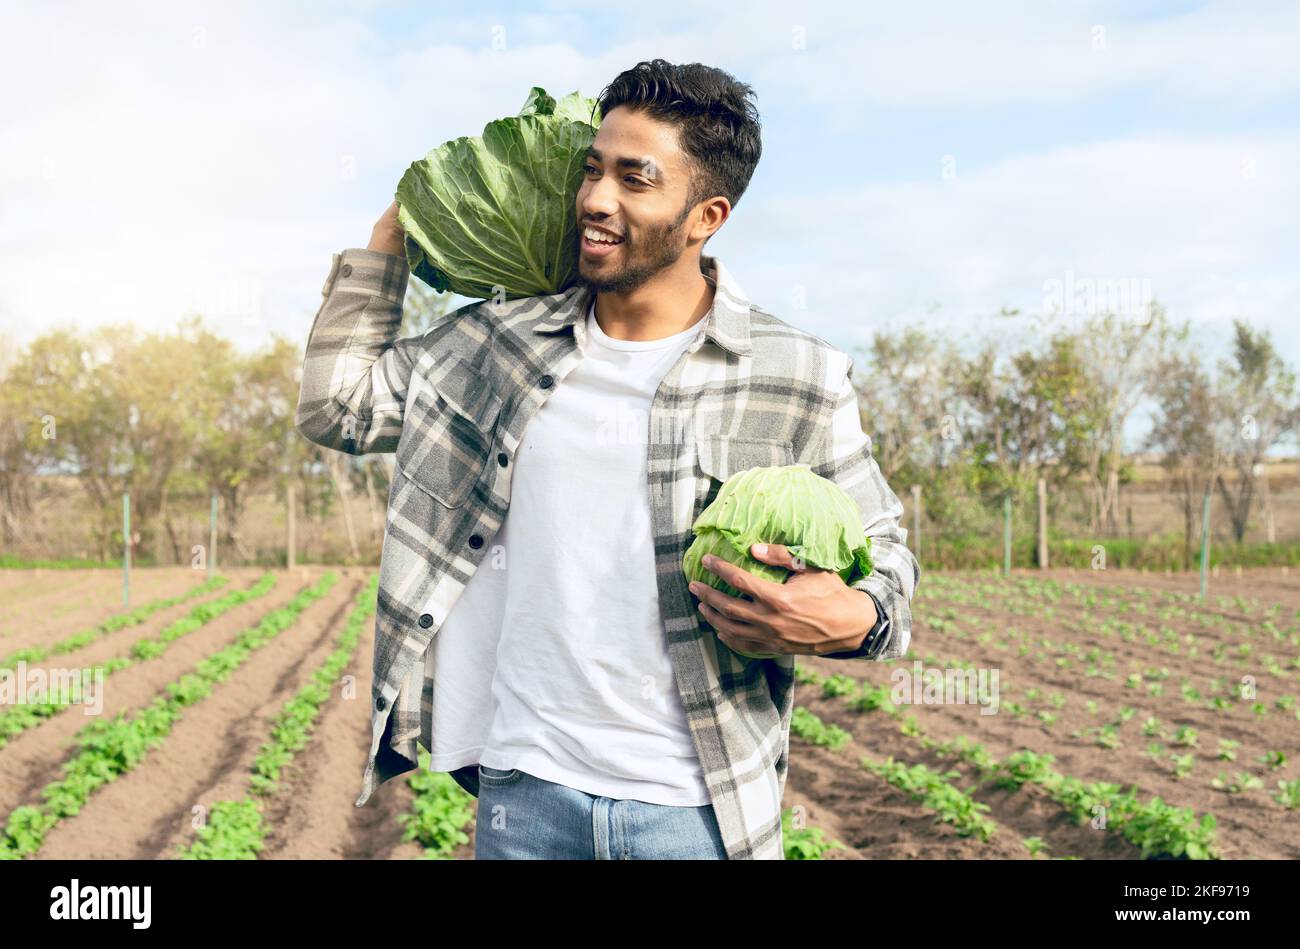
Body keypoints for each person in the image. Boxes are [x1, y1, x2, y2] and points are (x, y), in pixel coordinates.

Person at [296, 58, 919, 860]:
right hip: (523, 792)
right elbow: (337, 405)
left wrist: (851, 617)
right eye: (592, 170)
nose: (595, 198)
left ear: (707, 216)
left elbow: (889, 566)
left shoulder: (794, 372)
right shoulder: (499, 344)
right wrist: (389, 240)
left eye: (635, 179)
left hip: (696, 809)